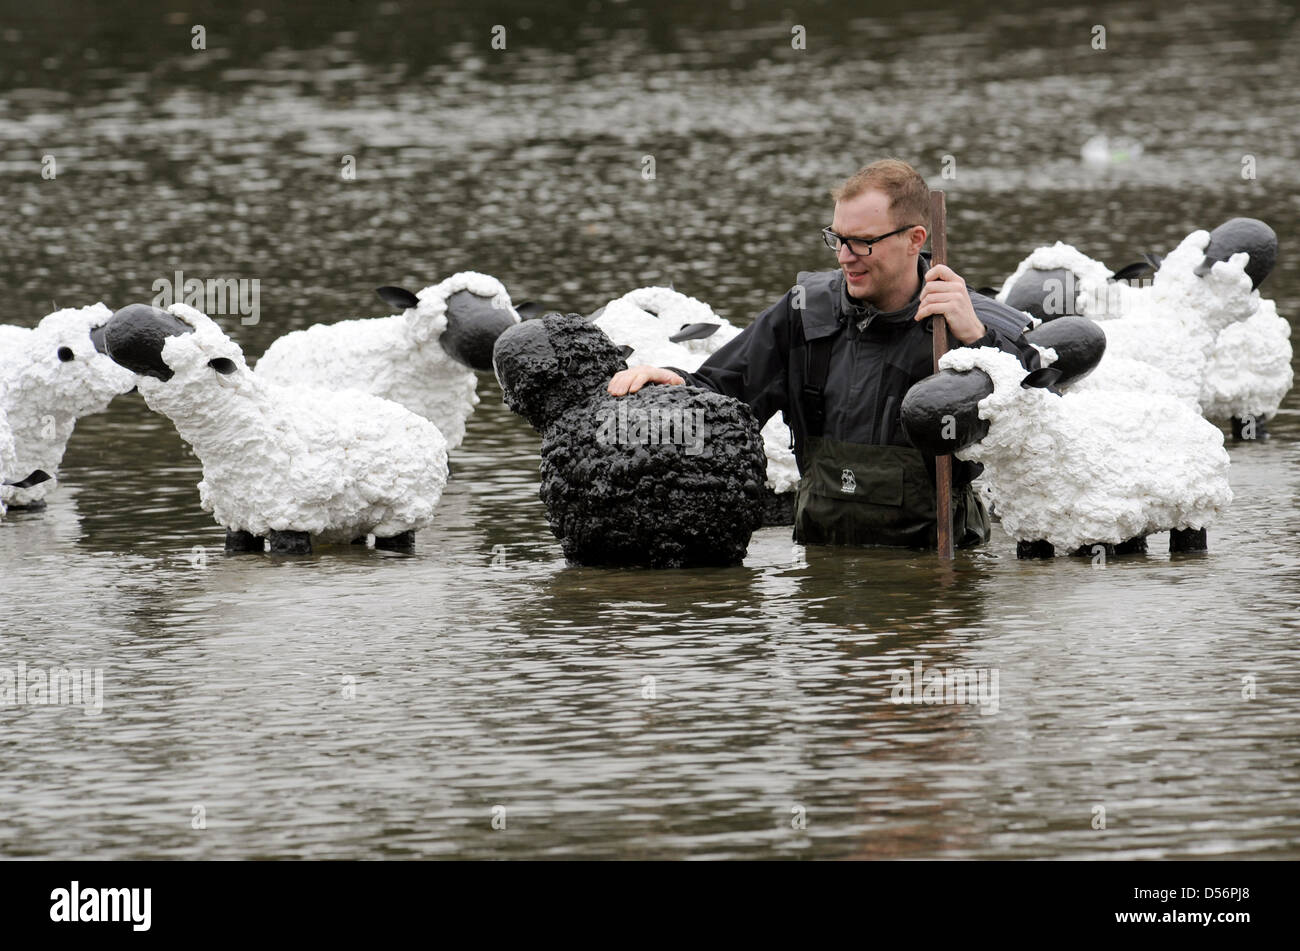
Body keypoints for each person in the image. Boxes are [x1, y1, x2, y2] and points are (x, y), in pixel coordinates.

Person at [606, 158, 1040, 548]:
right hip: (822, 559)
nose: (845, 258)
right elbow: (726, 391)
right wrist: (672, 383)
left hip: (932, 568)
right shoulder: (803, 311)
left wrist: (979, 341)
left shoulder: (965, 319)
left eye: (862, 242)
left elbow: (1033, 422)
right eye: (838, 239)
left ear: (915, 239)